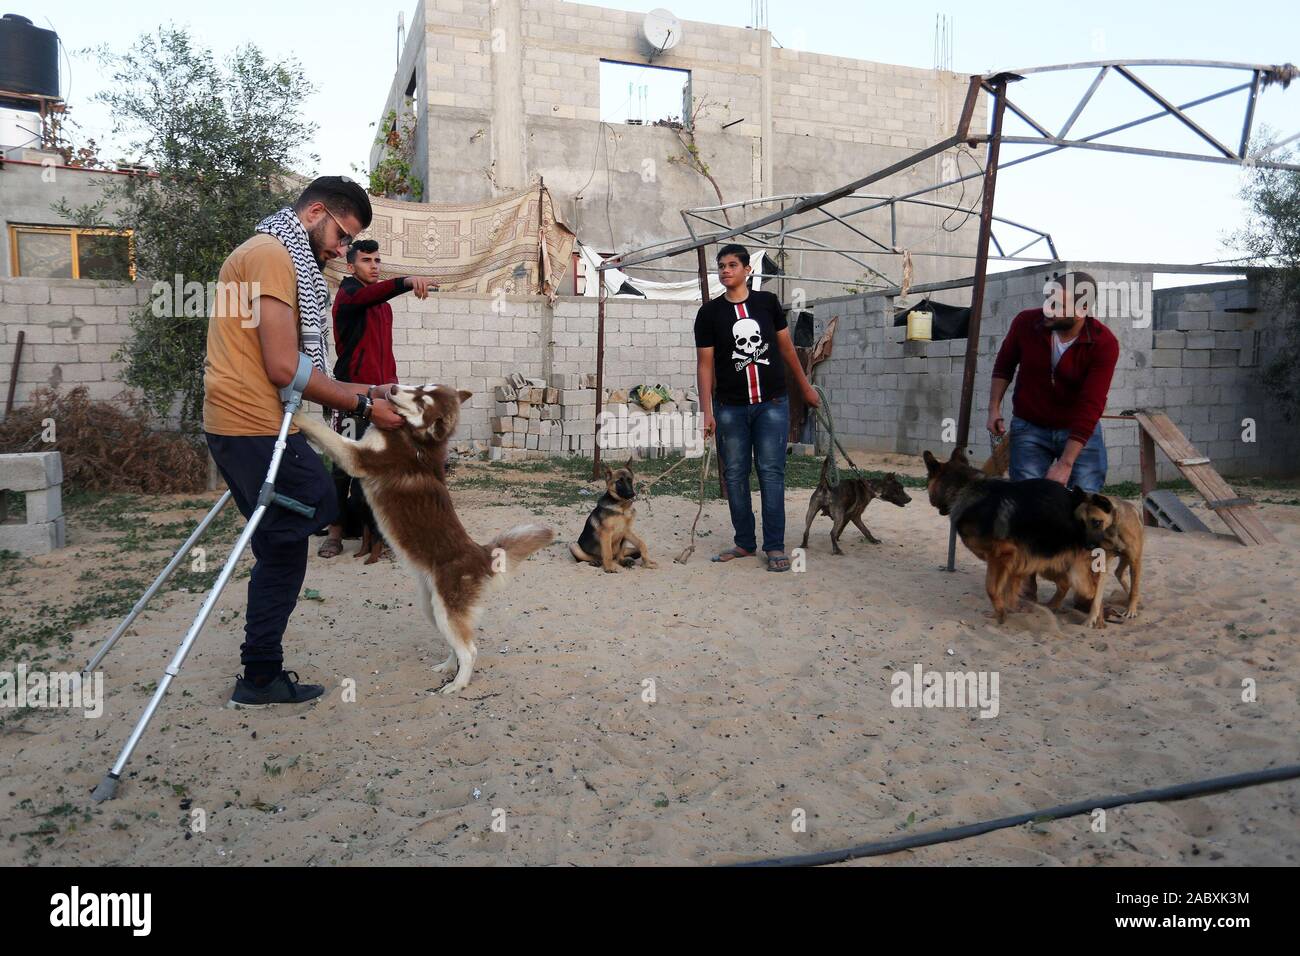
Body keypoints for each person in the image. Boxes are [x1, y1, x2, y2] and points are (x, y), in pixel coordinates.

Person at [203, 176, 403, 707]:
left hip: (252, 423)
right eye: (342, 236)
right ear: (315, 212)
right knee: (319, 497)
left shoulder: (273, 252)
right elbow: (284, 366)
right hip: (252, 424)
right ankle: (261, 672)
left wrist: (371, 388)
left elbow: (303, 368)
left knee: (283, 550)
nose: (342, 249)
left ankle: (261, 675)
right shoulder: (272, 255)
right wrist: (362, 405)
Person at [694, 243, 820, 572]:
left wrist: (805, 387)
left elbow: (787, 348)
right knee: (735, 475)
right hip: (730, 408)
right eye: (721, 265)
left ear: (748, 270)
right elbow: (705, 366)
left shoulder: (767, 304)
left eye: (732, 264)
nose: (725, 270)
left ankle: (775, 546)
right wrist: (707, 412)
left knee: (771, 473)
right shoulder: (709, 314)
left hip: (772, 404)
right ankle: (744, 543)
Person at [318, 239, 436, 559]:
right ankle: (335, 534)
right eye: (367, 260)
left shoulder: (382, 306)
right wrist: (407, 282)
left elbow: (386, 355)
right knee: (344, 466)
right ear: (350, 265)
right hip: (349, 394)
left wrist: (394, 390)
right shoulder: (349, 296)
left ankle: (381, 535)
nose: (374, 266)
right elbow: (373, 294)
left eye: (377, 260)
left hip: (384, 398)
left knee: (383, 468)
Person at [986, 271, 1119, 492]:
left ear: (1081, 310)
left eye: (1057, 304)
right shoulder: (1025, 323)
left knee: (1086, 499)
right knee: (1028, 499)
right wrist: (993, 408)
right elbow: (1004, 366)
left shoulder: (1103, 343)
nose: (1048, 308)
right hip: (1029, 425)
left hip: (1077, 429)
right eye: (1048, 299)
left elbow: (1091, 403)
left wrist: (1066, 463)